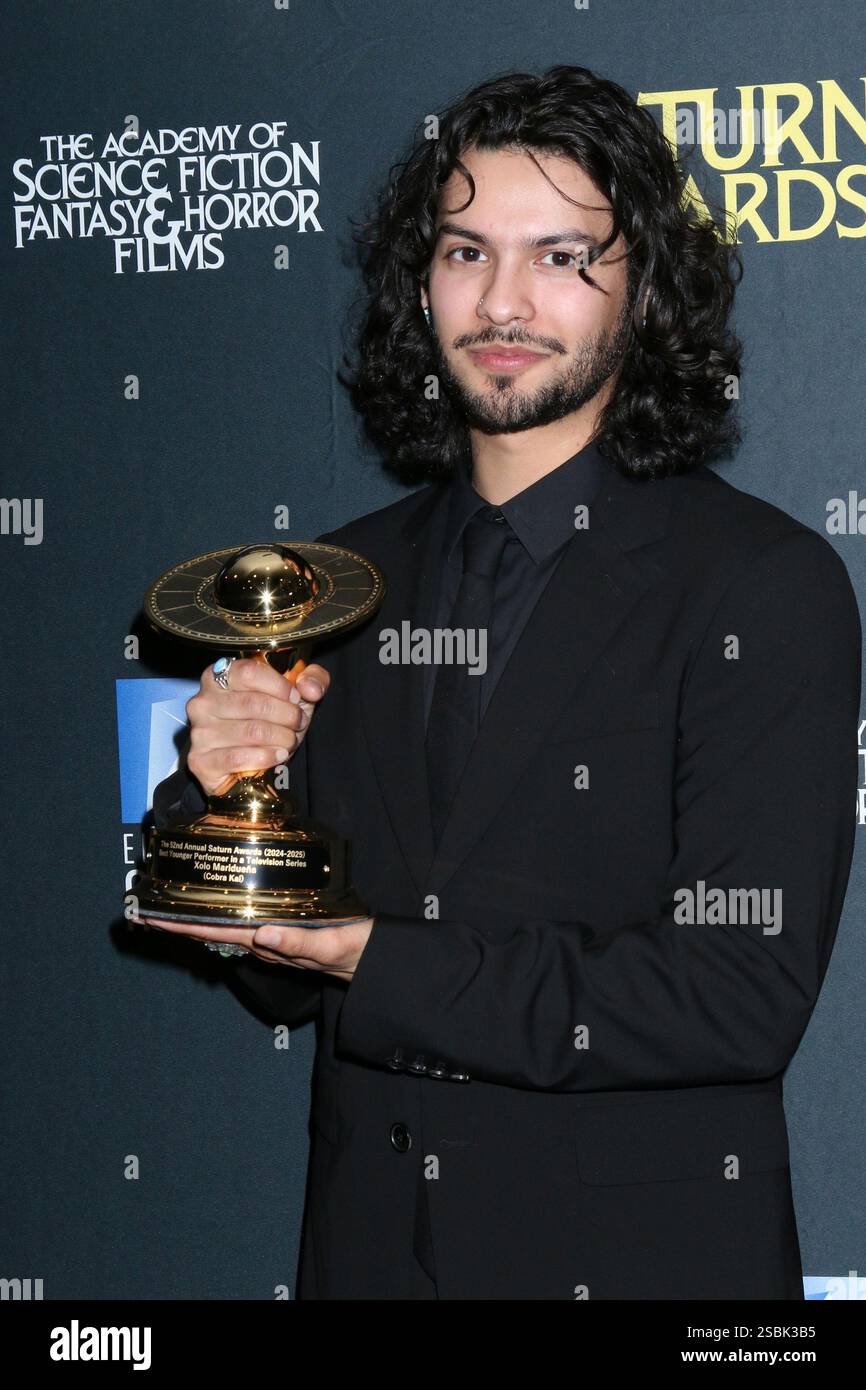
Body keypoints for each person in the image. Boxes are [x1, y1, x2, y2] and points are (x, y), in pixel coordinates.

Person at [143, 65, 861, 1300]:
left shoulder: (759, 582)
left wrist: (378, 959)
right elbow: (270, 952)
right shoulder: (340, 579)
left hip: (640, 1266)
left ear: (643, 290)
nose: (504, 300)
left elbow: (736, 994)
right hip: (365, 1259)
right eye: (465, 252)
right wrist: (217, 792)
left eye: (563, 257)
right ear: (417, 287)